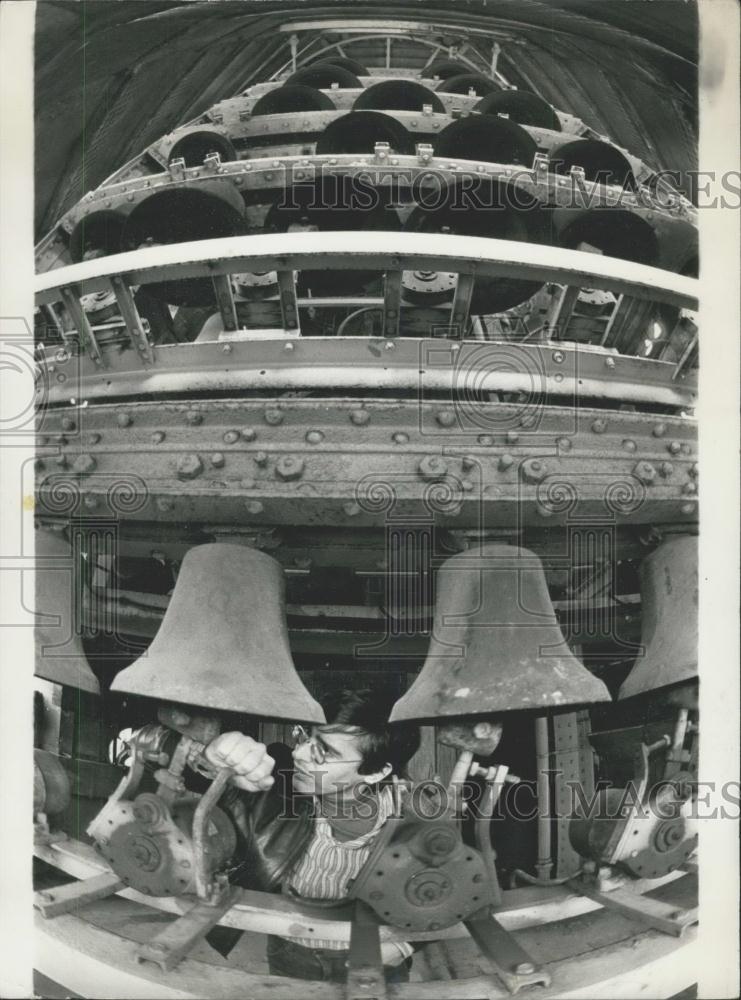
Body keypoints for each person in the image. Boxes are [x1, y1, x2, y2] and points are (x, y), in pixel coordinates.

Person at [202, 688, 421, 984]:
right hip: (291, 952)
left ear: (375, 772)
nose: (299, 754)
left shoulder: (416, 814)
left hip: (380, 959)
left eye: (325, 751)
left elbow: (458, 889)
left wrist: (406, 944)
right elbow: (188, 774)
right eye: (305, 737)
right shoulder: (274, 780)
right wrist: (212, 754)